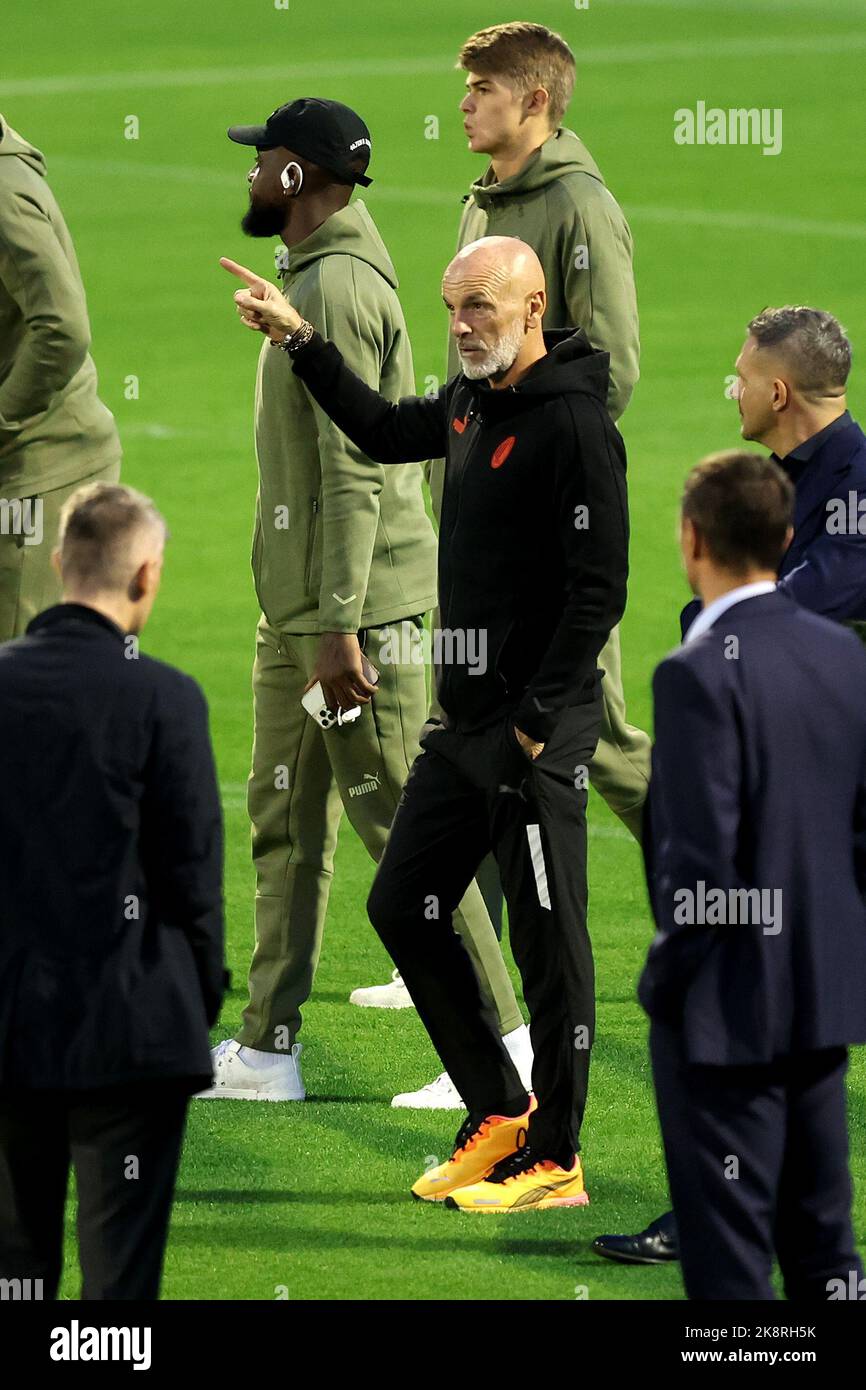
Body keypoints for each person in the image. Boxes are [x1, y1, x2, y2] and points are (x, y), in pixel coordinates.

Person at [222, 232, 629, 1210]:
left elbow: (597, 589)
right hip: (461, 722)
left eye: (479, 307)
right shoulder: (466, 402)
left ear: (532, 307)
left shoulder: (572, 424)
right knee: (402, 901)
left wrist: (534, 725)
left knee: (548, 946)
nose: (460, 326)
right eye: (453, 308)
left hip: (530, 733)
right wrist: (299, 339)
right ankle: (498, 1107)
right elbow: (373, 427)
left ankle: (556, 1159)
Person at [199, 99, 532, 1106]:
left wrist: (338, 622)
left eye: (263, 162)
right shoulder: (315, 278)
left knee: (404, 827)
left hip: (352, 618)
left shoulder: (337, 287)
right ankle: (266, 1047)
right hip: (306, 611)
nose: (251, 176)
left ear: (298, 178)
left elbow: (349, 473)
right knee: (285, 823)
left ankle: (503, 1044)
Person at [595, 306, 866, 1265]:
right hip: (810, 819)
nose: (733, 388)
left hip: (814, 806)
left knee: (758, 1013)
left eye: (741, 375)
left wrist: (716, 622)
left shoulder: (852, 487)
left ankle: (730, 1221)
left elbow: (796, 610)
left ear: (780, 391)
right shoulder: (785, 485)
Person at [393, 21, 647, 964]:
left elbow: (609, 366)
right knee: (478, 727)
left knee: (602, 741)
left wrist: (534, 472)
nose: (464, 103)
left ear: (534, 100)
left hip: (549, 532)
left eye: (483, 88)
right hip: (479, 526)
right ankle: (473, 955)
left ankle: (723, 907)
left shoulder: (579, 206)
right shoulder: (486, 200)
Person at [636, 451, 866, 1299]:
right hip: (822, 1006)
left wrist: (667, 983)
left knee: (731, 1268)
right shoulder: (842, 654)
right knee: (826, 1253)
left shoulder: (694, 673)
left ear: (692, 539)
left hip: (727, 1016)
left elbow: (702, 863)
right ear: (789, 535)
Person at [0, 482, 225, 1300]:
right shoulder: (164, 698)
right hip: (134, 1034)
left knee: (14, 1275)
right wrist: (190, 1006)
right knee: (119, 1292)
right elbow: (193, 879)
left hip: (9, 1032)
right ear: (146, 577)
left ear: (60, 564)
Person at [0, 114, 121, 641]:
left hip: (36, 470)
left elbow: (62, 329)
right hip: (25, 464)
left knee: (20, 685)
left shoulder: (4, 194)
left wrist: (2, 415)